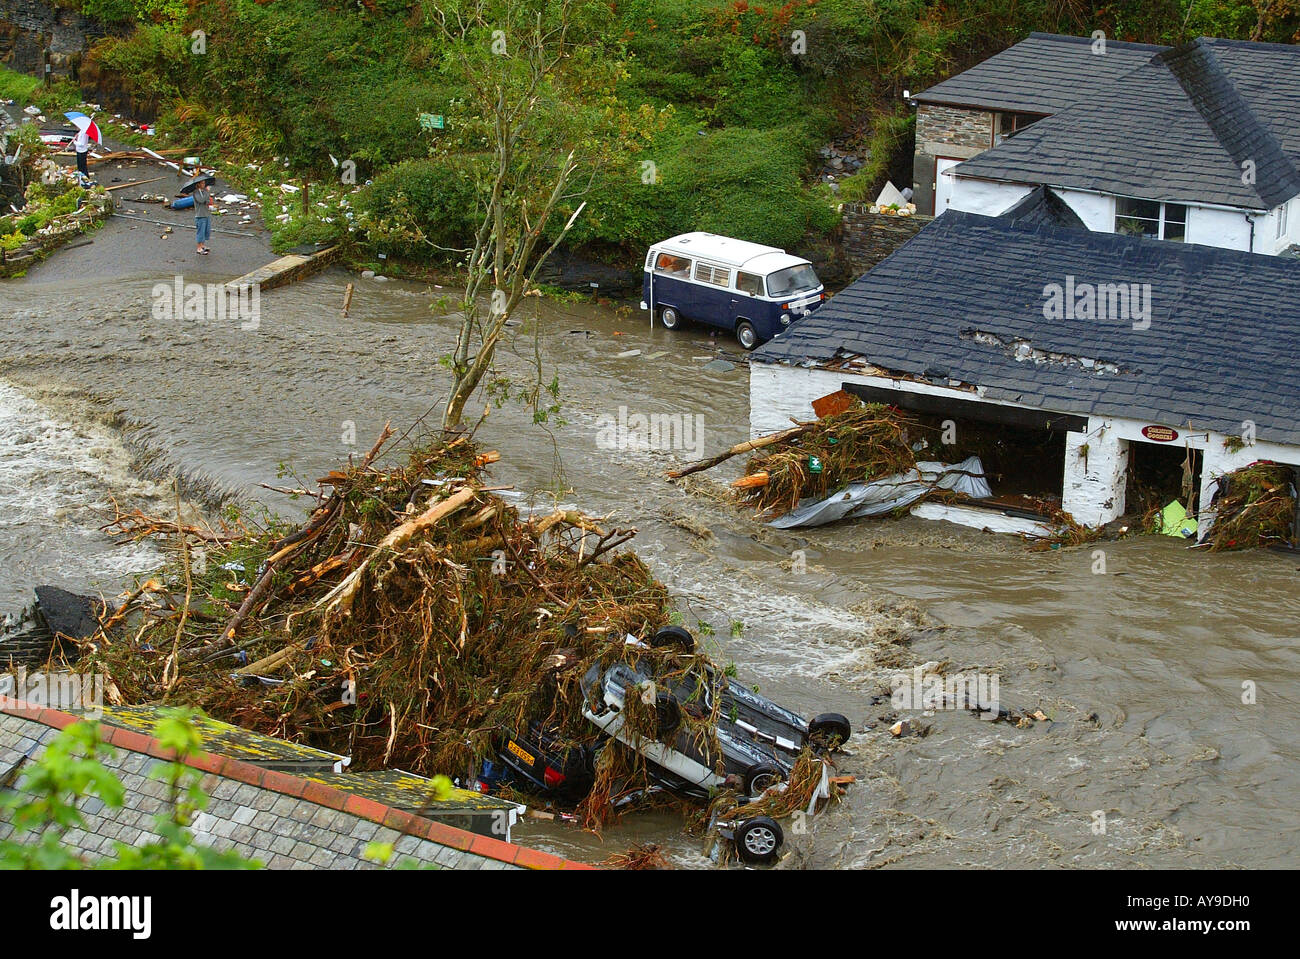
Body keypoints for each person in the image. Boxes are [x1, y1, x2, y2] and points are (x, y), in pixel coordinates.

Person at [193, 181, 211, 254]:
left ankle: (203, 245)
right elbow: (201, 200)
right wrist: (207, 192)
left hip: (206, 213)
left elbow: (207, 201)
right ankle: (199, 247)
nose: (204, 184)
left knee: (206, 230)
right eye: (202, 183)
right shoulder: (196, 192)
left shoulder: (203, 192)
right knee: (200, 231)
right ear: (198, 184)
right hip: (200, 215)